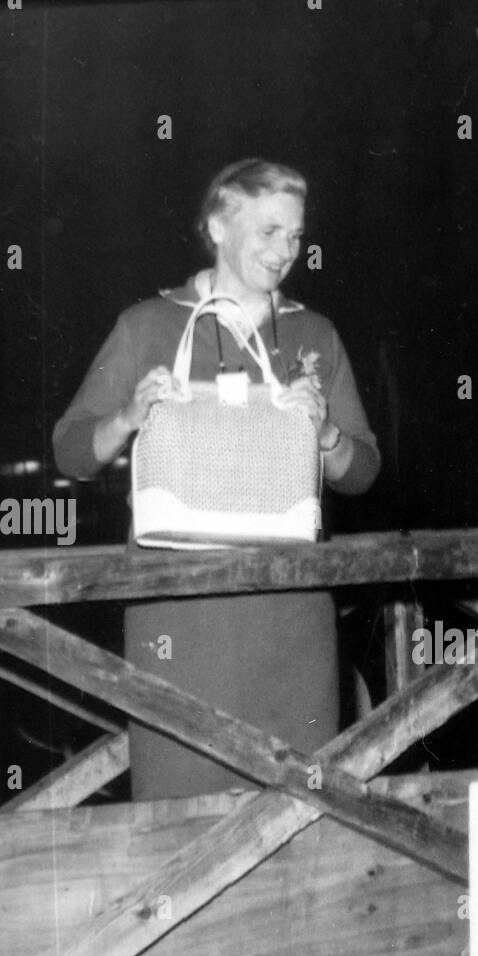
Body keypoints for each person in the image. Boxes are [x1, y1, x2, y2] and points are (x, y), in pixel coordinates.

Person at [54, 158, 380, 798]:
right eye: (268, 232)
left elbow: (362, 473)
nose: (286, 250)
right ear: (217, 226)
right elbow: (71, 451)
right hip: (182, 620)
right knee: (180, 812)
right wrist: (126, 417)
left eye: (295, 236)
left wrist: (326, 435)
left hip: (290, 614)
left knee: (298, 810)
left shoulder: (315, 332)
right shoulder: (147, 325)